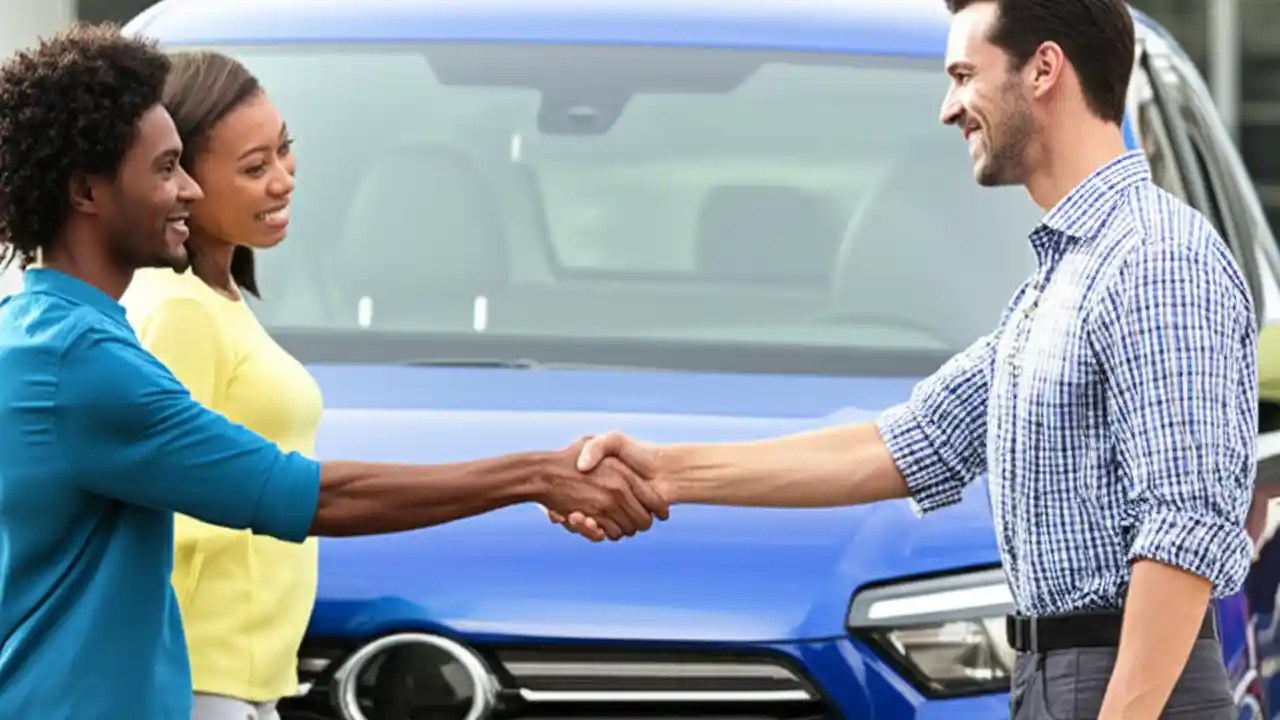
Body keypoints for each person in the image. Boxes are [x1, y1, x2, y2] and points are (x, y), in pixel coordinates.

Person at [557, 0, 1256, 718]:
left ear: (1044, 69)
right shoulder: (1063, 281)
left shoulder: (1157, 261)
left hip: (1128, 687)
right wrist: (663, 472)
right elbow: (904, 444)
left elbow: (1185, 528)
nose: (949, 109)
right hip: (1060, 681)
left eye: (963, 75)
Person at [0, 24, 666, 720]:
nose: (191, 191)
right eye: (167, 168)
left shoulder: (52, 333)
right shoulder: (86, 364)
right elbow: (314, 498)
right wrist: (534, 475)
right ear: (85, 191)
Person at [119, 51, 307, 720]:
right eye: (255, 168)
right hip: (200, 676)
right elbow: (165, 505)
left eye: (285, 153)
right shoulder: (176, 309)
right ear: (180, 181)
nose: (283, 181)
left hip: (244, 677)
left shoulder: (215, 297)